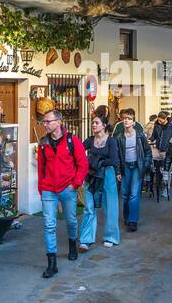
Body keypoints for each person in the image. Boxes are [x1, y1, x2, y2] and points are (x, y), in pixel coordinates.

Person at [37, 107, 88, 277]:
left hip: (68, 188)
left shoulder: (73, 141)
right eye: (44, 121)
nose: (45, 124)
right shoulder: (43, 143)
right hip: (49, 190)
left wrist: (75, 183)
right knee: (49, 225)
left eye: (48, 121)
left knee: (71, 221)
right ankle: (52, 263)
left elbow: (83, 164)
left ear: (58, 122)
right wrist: (41, 188)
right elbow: (41, 168)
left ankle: (72, 243)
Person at [80, 114, 119, 250]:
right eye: (92, 123)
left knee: (110, 206)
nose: (93, 125)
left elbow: (114, 160)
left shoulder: (111, 141)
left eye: (96, 123)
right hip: (91, 176)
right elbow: (79, 152)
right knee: (89, 207)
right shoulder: (90, 140)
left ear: (104, 125)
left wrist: (95, 161)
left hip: (107, 174)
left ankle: (111, 237)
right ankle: (86, 239)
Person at [113, 108, 151, 231]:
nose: (126, 121)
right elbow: (117, 156)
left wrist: (144, 166)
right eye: (125, 119)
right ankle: (127, 217)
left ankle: (133, 221)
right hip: (125, 168)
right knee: (125, 195)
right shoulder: (119, 137)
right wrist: (118, 171)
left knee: (134, 194)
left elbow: (148, 151)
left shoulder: (140, 135)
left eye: (129, 119)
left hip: (137, 167)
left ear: (134, 122)